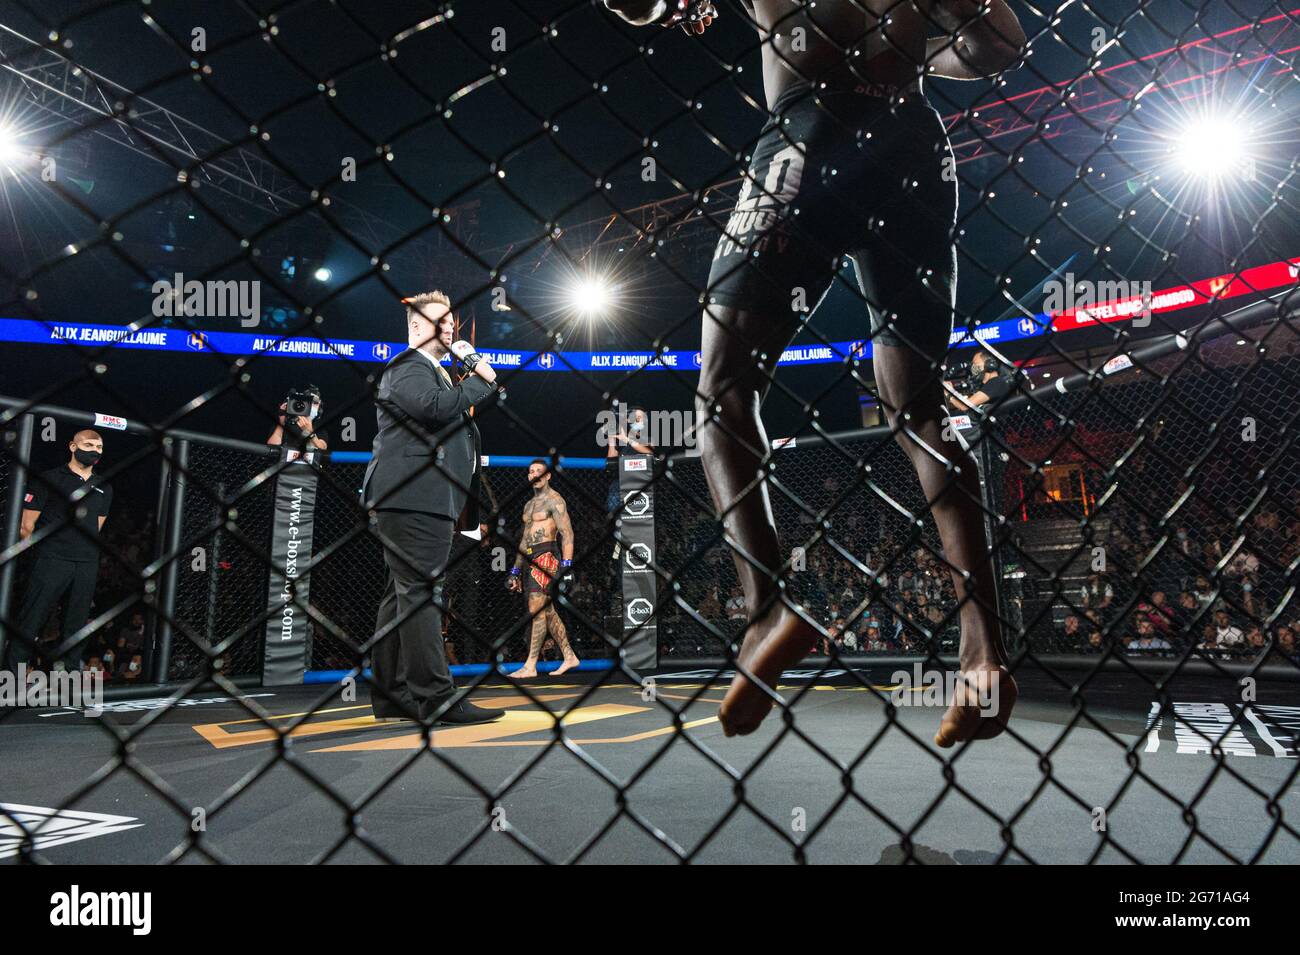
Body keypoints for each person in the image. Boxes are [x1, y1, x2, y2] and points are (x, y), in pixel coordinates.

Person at [603, 0, 1025, 744]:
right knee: (921, 412)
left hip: (813, 127)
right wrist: (908, 49)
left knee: (725, 386)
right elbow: (999, 47)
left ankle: (767, 610)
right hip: (917, 145)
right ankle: (986, 656)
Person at [361, 290, 504, 725]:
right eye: (440, 321)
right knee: (423, 593)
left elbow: (452, 412)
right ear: (418, 326)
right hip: (413, 497)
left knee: (401, 596)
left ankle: (392, 695)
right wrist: (481, 377)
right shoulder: (407, 366)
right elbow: (436, 409)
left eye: (451, 322)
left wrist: (478, 383)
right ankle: (437, 696)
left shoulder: (435, 371)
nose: (449, 329)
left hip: (421, 497)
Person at [7, 429, 113, 671]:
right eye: (89, 444)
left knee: (76, 625)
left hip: (86, 562)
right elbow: (26, 525)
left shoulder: (104, 486)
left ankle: (69, 680)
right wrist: (41, 552)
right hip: (51, 558)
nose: (95, 450)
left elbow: (96, 527)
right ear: (73, 446)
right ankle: (11, 679)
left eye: (99, 447)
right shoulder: (50, 478)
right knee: (31, 619)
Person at [508, 460, 581, 678]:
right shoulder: (528, 506)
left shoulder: (555, 500)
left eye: (539, 471)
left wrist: (567, 566)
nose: (535, 474)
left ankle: (530, 665)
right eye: (531, 471)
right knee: (546, 610)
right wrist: (514, 570)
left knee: (536, 609)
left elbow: (567, 534)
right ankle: (569, 656)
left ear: (548, 476)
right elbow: (524, 540)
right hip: (530, 557)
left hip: (547, 556)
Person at [267, 384, 329, 452]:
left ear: (319, 408)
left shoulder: (319, 427)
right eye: (309, 401)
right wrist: (282, 423)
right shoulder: (286, 422)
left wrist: (310, 433)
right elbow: (272, 447)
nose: (311, 405)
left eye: (315, 403)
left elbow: (322, 448)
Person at [947, 350, 1012, 413]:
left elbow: (965, 406)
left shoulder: (996, 382)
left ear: (989, 365)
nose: (973, 369)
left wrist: (948, 394)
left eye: (976, 365)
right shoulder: (985, 385)